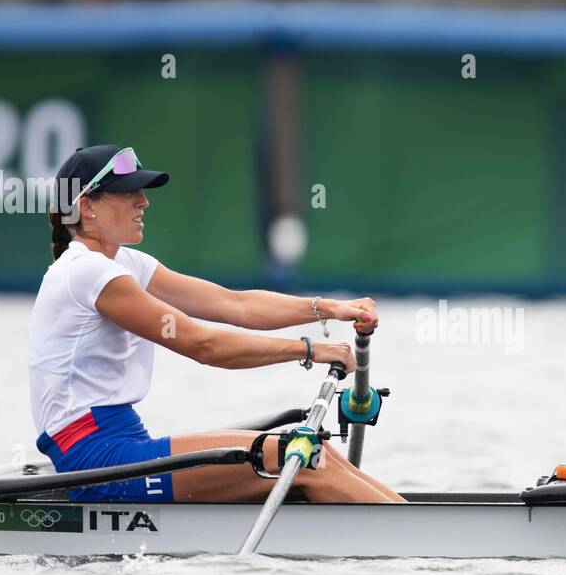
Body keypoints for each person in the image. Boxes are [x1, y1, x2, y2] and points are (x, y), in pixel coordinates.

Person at [30, 144, 403, 504]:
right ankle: (425, 550)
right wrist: (308, 349)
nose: (143, 201)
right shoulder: (86, 271)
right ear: (86, 207)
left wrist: (328, 308)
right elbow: (201, 345)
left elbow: (233, 304)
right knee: (306, 457)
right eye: (127, 192)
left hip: (121, 442)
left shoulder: (127, 263)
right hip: (94, 459)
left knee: (316, 452)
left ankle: (418, 532)